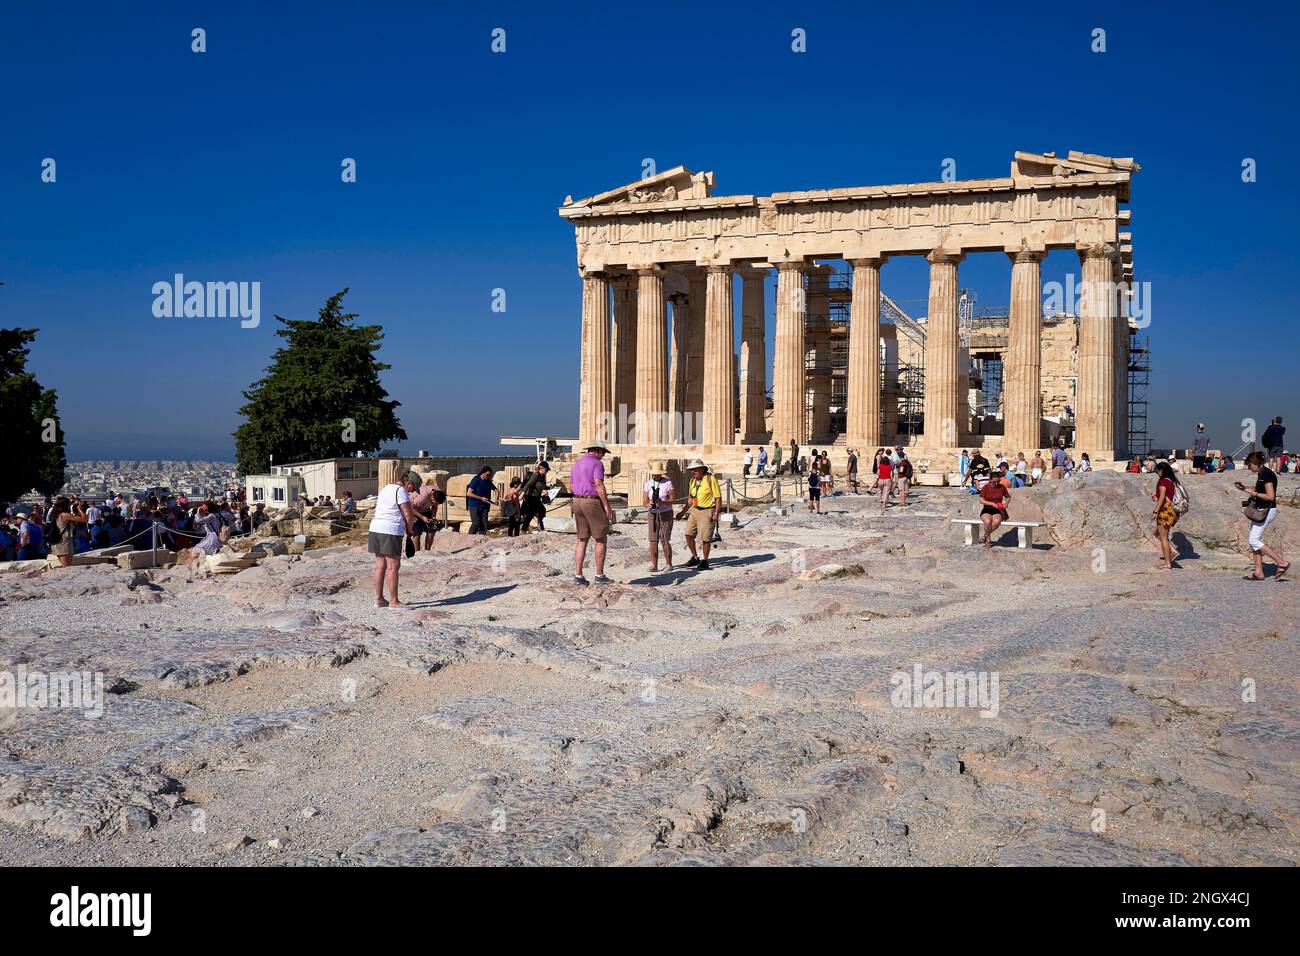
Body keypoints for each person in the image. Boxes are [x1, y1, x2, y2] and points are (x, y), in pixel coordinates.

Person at [1236, 451, 1289, 581]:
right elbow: (1261, 489)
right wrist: (1245, 489)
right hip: (1261, 510)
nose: (1249, 468)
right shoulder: (1262, 473)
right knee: (1254, 540)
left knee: (1254, 540)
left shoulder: (1267, 475)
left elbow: (1270, 496)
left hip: (1266, 510)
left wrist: (1253, 494)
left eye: (1250, 465)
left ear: (1256, 464)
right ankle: (1259, 572)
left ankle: (1281, 562)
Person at [369, 477, 417, 607]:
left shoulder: (385, 488)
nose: (412, 492)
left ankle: (379, 599)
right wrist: (409, 530)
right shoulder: (400, 490)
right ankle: (394, 601)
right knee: (393, 566)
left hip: (375, 528)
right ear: (409, 483)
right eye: (412, 488)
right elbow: (408, 513)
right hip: (390, 529)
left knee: (380, 565)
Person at [571, 445, 614, 585]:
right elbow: (598, 484)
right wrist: (607, 506)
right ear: (597, 451)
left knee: (582, 539)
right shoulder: (597, 463)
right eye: (603, 453)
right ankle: (599, 575)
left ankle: (578, 575)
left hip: (576, 500)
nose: (603, 456)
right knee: (601, 538)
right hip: (591, 501)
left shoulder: (577, 463)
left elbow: (571, 486)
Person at [679, 459, 721, 570]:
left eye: (695, 469)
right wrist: (682, 512)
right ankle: (695, 556)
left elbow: (718, 497)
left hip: (707, 510)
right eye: (691, 470)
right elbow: (690, 499)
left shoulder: (710, 479)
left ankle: (705, 560)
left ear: (702, 469)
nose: (693, 471)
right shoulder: (692, 481)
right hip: (695, 510)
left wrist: (716, 513)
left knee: (705, 538)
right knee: (688, 534)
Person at [643, 460, 675, 572]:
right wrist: (649, 504)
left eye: (658, 473)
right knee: (653, 540)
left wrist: (663, 502)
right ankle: (654, 564)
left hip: (665, 513)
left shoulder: (667, 483)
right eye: (655, 473)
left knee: (664, 539)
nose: (656, 475)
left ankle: (669, 563)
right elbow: (645, 502)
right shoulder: (648, 483)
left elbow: (672, 499)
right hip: (653, 513)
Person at [1151, 461, 1181, 571]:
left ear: (1161, 470)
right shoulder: (1171, 481)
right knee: (1157, 533)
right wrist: (1156, 497)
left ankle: (1168, 563)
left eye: (1157, 471)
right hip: (1171, 511)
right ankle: (1172, 550)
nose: (1157, 473)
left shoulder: (1163, 481)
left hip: (1165, 511)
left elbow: (1163, 497)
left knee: (1163, 537)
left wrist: (1155, 511)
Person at [409, 472, 448, 550]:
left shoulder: (438, 493)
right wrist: (423, 518)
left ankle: (427, 551)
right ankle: (417, 553)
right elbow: (411, 508)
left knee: (432, 530)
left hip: (426, 510)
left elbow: (434, 507)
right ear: (432, 497)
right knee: (417, 533)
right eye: (434, 502)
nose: (435, 503)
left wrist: (433, 517)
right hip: (414, 510)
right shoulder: (422, 497)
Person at [48, 497, 88, 568]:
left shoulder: (56, 514)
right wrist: (80, 509)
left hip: (58, 542)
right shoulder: (65, 515)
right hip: (64, 542)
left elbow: (72, 523)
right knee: (67, 567)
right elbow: (84, 519)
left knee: (65, 565)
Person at [187, 502, 224, 574]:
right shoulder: (216, 515)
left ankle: (193, 569)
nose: (202, 508)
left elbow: (198, 520)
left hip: (212, 539)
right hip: (214, 537)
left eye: (204, 507)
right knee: (199, 552)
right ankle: (198, 569)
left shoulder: (211, 516)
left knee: (194, 550)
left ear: (208, 508)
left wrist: (198, 513)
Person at [978, 469, 1010, 547]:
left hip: (997, 510)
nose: (996, 483)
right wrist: (991, 504)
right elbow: (981, 500)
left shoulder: (1002, 487)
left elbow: (1008, 497)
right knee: (988, 521)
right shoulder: (986, 487)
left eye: (998, 482)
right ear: (990, 480)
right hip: (987, 509)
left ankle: (985, 536)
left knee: (996, 523)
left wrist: (1006, 503)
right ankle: (988, 540)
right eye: (994, 482)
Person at [519, 462, 550, 533]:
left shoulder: (542, 476)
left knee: (533, 512)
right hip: (531, 496)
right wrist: (522, 495)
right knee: (541, 510)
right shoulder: (536, 475)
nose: (547, 472)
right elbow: (528, 484)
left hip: (536, 497)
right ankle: (539, 527)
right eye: (546, 470)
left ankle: (524, 529)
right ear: (542, 468)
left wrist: (548, 488)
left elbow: (541, 485)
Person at [466, 465, 496, 536]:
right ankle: (469, 537)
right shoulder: (476, 480)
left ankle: (481, 538)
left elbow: (496, 490)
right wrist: (481, 498)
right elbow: (469, 493)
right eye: (487, 475)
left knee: (484, 524)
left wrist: (497, 499)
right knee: (476, 522)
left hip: (485, 506)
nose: (488, 476)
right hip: (474, 505)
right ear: (483, 473)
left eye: (490, 475)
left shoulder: (488, 481)